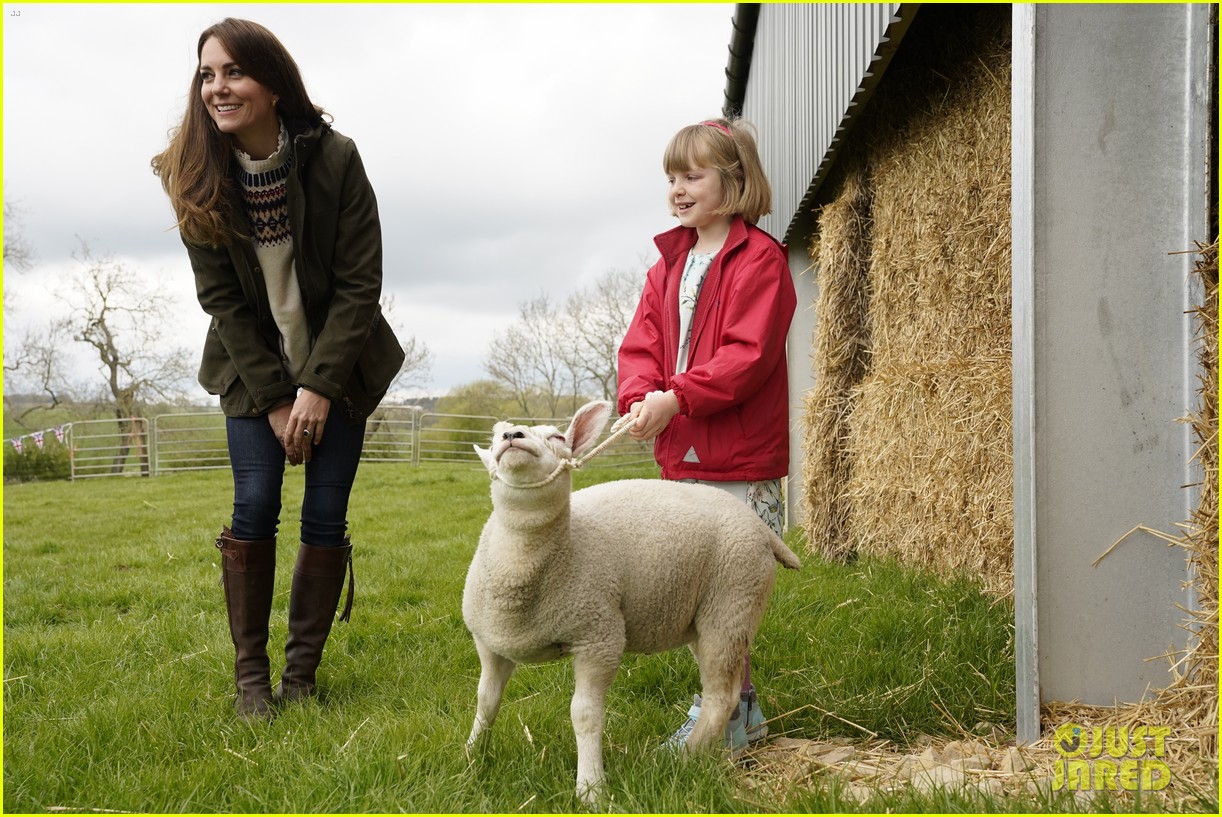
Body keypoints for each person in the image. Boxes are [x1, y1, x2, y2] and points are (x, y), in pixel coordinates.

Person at [152, 18, 405, 720]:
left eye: (232, 72)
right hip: (249, 369)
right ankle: (252, 684)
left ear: (271, 82)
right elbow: (222, 301)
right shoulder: (192, 174)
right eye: (206, 74)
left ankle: (301, 678)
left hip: (341, 365)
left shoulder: (335, 159)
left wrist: (319, 387)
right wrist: (273, 398)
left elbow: (360, 284)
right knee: (255, 506)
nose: (217, 87)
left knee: (325, 515)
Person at [617, 117, 797, 755]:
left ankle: (726, 712)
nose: (678, 188)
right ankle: (736, 711)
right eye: (671, 176)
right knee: (699, 594)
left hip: (738, 459)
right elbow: (641, 344)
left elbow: (746, 358)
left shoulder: (761, 261)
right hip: (684, 454)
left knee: (731, 592)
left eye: (692, 175)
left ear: (735, 179)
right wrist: (641, 397)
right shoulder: (668, 266)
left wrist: (678, 397)